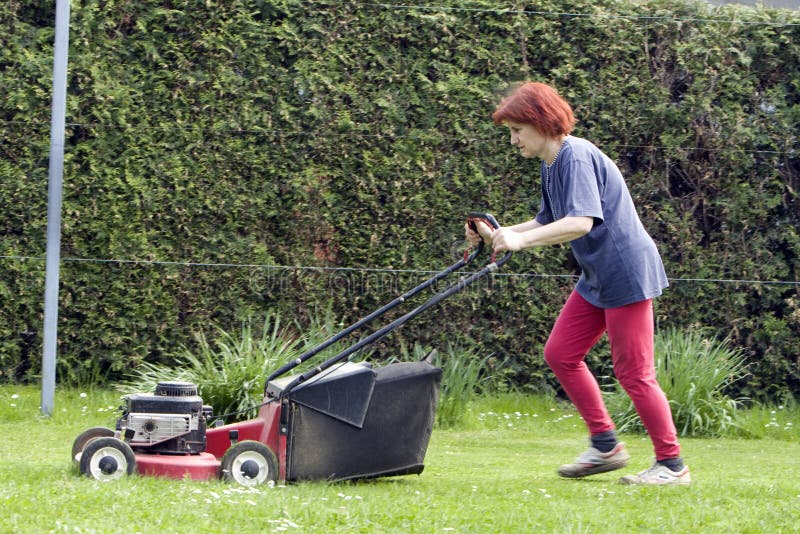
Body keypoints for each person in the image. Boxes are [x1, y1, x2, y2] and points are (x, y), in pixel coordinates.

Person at [466, 81, 690, 485]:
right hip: (597, 276)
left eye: (517, 130)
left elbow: (581, 222)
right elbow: (547, 220)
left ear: (541, 123)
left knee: (634, 373)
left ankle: (672, 465)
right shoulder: (551, 164)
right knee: (561, 353)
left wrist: (519, 241)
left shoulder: (576, 155)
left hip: (625, 271)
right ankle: (605, 445)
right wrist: (497, 234)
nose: (513, 140)